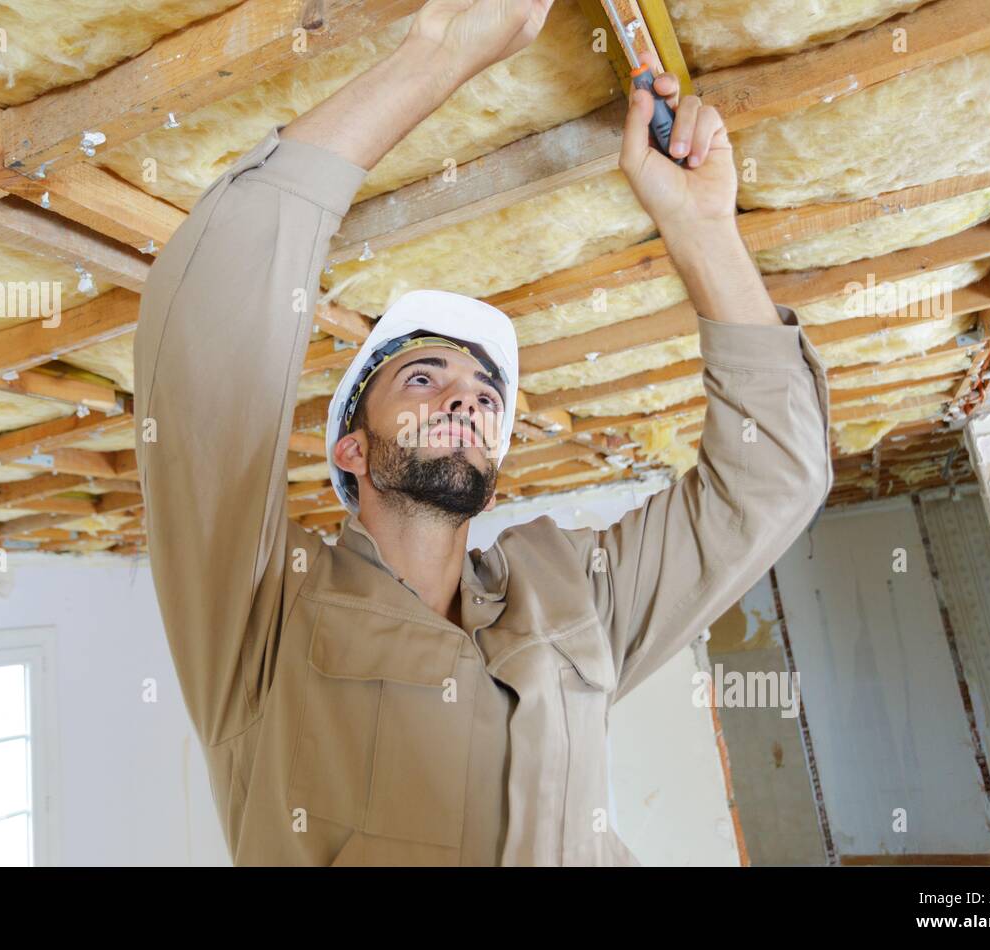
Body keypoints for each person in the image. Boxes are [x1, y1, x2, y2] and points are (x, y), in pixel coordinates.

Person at [135, 0, 832, 866]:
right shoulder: (261, 617)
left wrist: (701, 231)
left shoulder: (575, 594)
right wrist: (437, 55)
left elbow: (773, 482)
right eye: (423, 378)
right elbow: (207, 337)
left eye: (486, 393)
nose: (467, 397)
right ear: (350, 450)